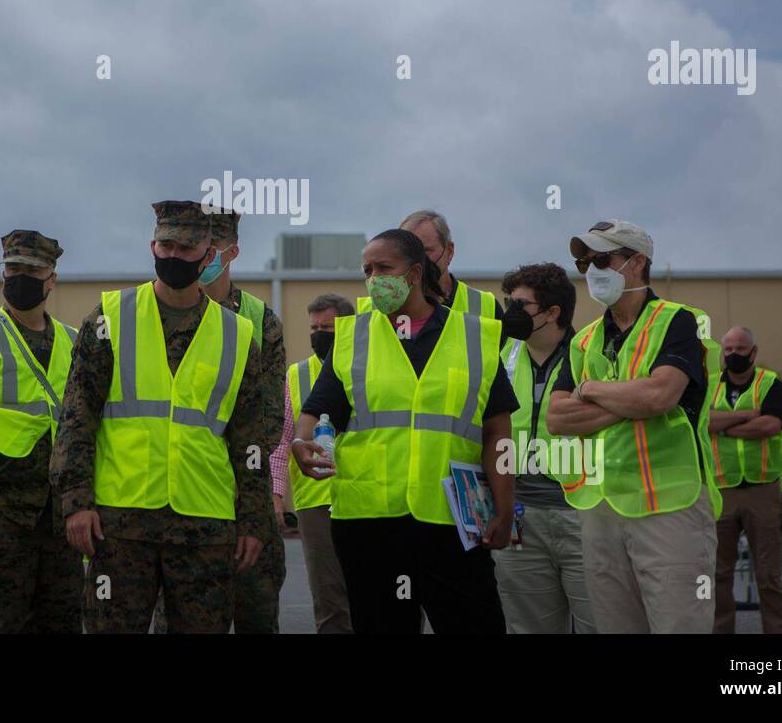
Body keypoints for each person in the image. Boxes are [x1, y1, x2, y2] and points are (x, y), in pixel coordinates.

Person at [51, 200, 268, 633]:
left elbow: (251, 442)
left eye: (187, 248)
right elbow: (76, 418)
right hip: (119, 523)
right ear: (152, 245)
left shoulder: (238, 334)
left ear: (209, 255)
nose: (174, 256)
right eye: (166, 244)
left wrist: (254, 520)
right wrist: (77, 503)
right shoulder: (109, 319)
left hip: (205, 524)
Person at [292, 229, 517, 634]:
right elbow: (317, 413)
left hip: (452, 521)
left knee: (476, 624)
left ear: (414, 273)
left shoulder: (476, 336)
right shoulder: (352, 337)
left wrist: (504, 508)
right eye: (367, 270)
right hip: (369, 523)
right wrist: (302, 442)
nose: (374, 279)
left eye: (384, 268)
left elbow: (498, 431)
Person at [547, 220, 721, 634]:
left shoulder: (681, 322)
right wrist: (630, 402)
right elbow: (556, 419)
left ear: (639, 262)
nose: (591, 269)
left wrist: (588, 389)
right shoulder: (583, 340)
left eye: (603, 259)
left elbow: (659, 397)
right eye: (584, 261)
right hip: (601, 511)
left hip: (669, 507)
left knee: (679, 625)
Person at [0, 229, 84, 633]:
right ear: (2, 274)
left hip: (59, 522)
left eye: (32, 269)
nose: (20, 276)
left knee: (60, 622)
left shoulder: (74, 343)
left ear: (52, 278)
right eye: (13, 268)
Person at [493, 263, 596, 633]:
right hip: (520, 516)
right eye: (510, 303)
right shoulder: (503, 355)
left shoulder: (591, 355)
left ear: (553, 312)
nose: (511, 313)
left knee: (599, 624)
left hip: (583, 515)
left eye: (521, 305)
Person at [200, 208, 286, 633]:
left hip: (242, 491)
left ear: (231, 251)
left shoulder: (259, 319)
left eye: (209, 247)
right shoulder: (155, 312)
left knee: (256, 610)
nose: (198, 256)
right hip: (181, 496)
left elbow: (270, 418)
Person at [708, 326, 782, 634]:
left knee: (769, 575)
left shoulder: (770, 383)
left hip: (763, 490)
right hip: (722, 491)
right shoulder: (709, 386)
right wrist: (746, 416)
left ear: (753, 352)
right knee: (718, 576)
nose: (733, 355)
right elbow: (704, 422)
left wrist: (724, 427)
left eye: (740, 350)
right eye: (728, 350)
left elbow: (770, 425)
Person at [278, 292, 354, 633]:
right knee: (329, 600)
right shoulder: (296, 375)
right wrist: (276, 495)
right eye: (314, 327)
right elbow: (281, 442)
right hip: (315, 501)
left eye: (328, 327)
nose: (319, 334)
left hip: (365, 496)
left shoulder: (369, 365)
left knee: (377, 596)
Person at [357, 209, 501, 320]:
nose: (418, 260)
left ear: (449, 251)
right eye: (407, 254)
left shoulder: (484, 307)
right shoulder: (368, 311)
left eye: (425, 251)